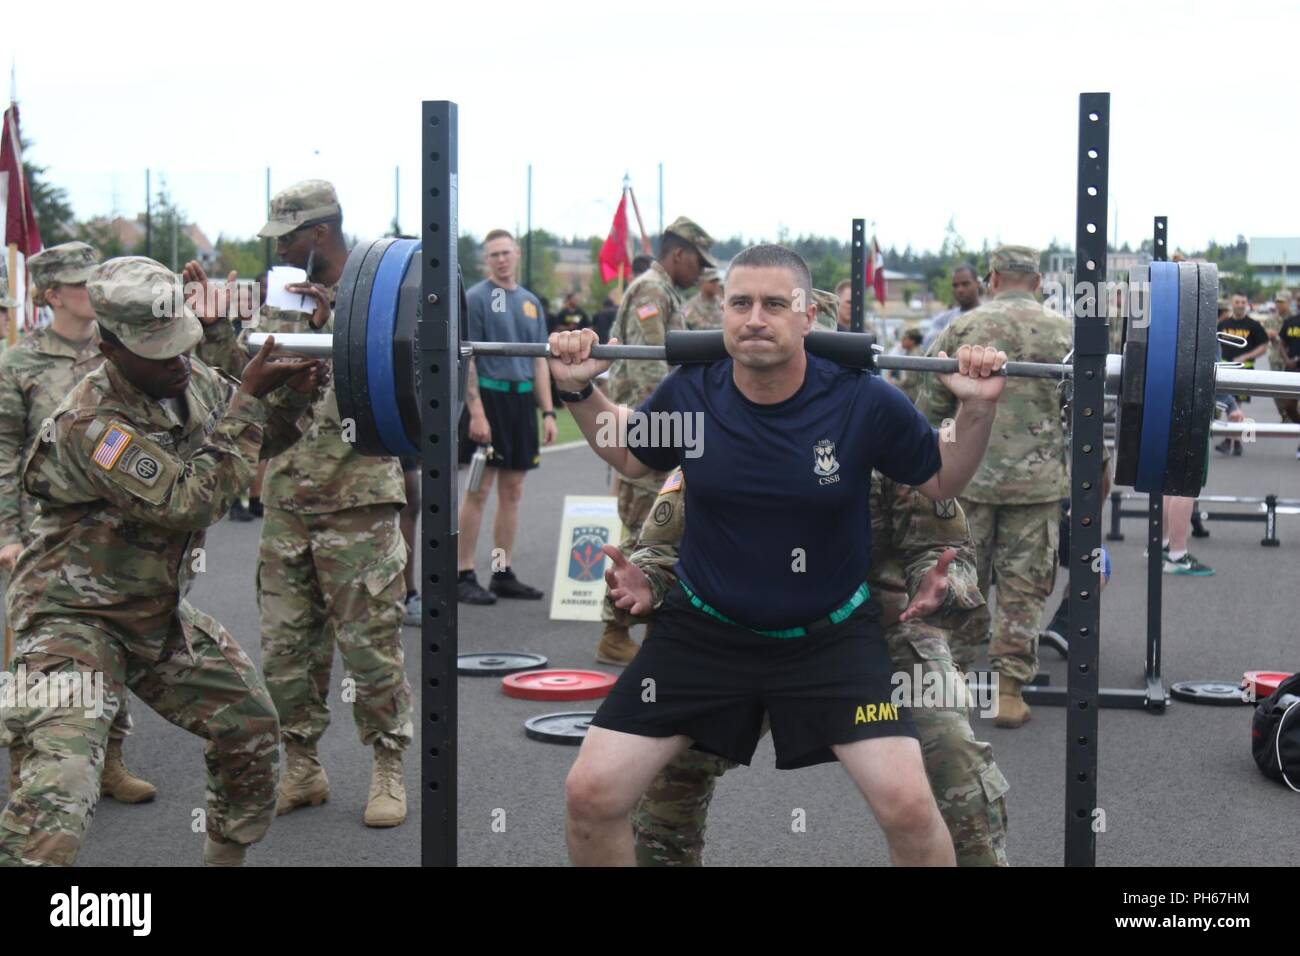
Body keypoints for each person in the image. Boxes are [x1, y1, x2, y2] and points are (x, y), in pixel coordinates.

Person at [549, 243, 1007, 866]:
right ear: (723, 315)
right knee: (591, 792)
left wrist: (976, 407)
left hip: (831, 640)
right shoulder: (694, 393)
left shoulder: (862, 401)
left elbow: (944, 479)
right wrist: (580, 391)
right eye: (741, 303)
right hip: (705, 636)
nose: (755, 318)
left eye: (774, 304)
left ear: (807, 319)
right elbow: (631, 453)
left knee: (909, 806)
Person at [0, 255, 326, 866]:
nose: (178, 360)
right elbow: (189, 502)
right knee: (61, 789)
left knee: (250, 726)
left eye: (183, 344)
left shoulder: (188, 379)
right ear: (110, 346)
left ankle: (223, 860)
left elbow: (258, 436)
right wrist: (252, 400)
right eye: (159, 352)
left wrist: (293, 397)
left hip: (152, 612)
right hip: (72, 621)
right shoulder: (90, 422)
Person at [622, 465, 1009, 866]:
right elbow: (662, 551)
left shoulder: (883, 426)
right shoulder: (718, 430)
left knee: (951, 751)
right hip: (736, 634)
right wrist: (648, 584)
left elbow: (944, 548)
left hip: (881, 628)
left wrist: (937, 585)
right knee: (661, 762)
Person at [239, 180, 415, 827]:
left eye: (286, 237)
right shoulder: (281, 297)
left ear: (318, 233)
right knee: (288, 651)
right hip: (288, 499)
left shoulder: (380, 300)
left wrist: (332, 323)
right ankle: (304, 766)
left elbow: (402, 380)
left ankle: (388, 766)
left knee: (371, 650)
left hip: (359, 500)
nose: (279, 249)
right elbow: (249, 383)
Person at [0, 242, 161, 804]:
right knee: (34, 656)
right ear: (49, 296)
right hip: (42, 538)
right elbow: (2, 451)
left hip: (111, 532)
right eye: (78, 284)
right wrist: (7, 534)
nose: (90, 292)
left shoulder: (114, 353)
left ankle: (110, 758)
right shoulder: (19, 364)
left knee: (113, 643)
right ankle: (31, 763)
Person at [917, 245, 1071, 728]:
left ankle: (956, 680)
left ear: (993, 278)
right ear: (1039, 281)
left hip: (970, 478)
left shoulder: (964, 328)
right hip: (1038, 483)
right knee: (1024, 585)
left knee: (964, 576)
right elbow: (1091, 413)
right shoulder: (1065, 332)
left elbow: (927, 401)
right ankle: (1008, 690)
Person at [593, 216, 715, 665]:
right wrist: (672, 429)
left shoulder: (664, 291)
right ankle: (614, 629)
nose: (702, 272)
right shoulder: (652, 290)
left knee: (655, 531)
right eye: (698, 261)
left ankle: (642, 628)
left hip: (658, 427)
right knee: (645, 532)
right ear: (678, 253)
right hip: (652, 429)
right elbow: (649, 372)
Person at [457, 229, 557, 604]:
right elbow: (470, 357)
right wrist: (476, 413)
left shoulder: (531, 303)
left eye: (506, 252)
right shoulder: (476, 299)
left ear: (517, 253)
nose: (501, 259)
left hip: (520, 406)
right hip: (489, 402)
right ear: (487, 260)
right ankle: (462, 571)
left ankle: (501, 571)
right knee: (478, 490)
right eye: (493, 254)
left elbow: (540, 360)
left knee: (513, 493)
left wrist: (548, 411)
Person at [1215, 292, 1269, 456]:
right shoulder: (1223, 324)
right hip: (1223, 371)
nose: (1240, 305)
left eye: (1243, 302)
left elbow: (1264, 346)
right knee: (1228, 406)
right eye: (1237, 302)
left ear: (1247, 304)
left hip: (1244, 371)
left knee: (1236, 406)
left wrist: (1245, 356)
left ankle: (1230, 441)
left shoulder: (1253, 325)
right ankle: (1235, 442)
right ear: (1232, 303)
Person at [923, 265, 982, 350]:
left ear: (977, 284)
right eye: (955, 285)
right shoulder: (942, 320)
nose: (960, 290)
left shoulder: (990, 317)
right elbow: (928, 348)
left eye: (965, 284)